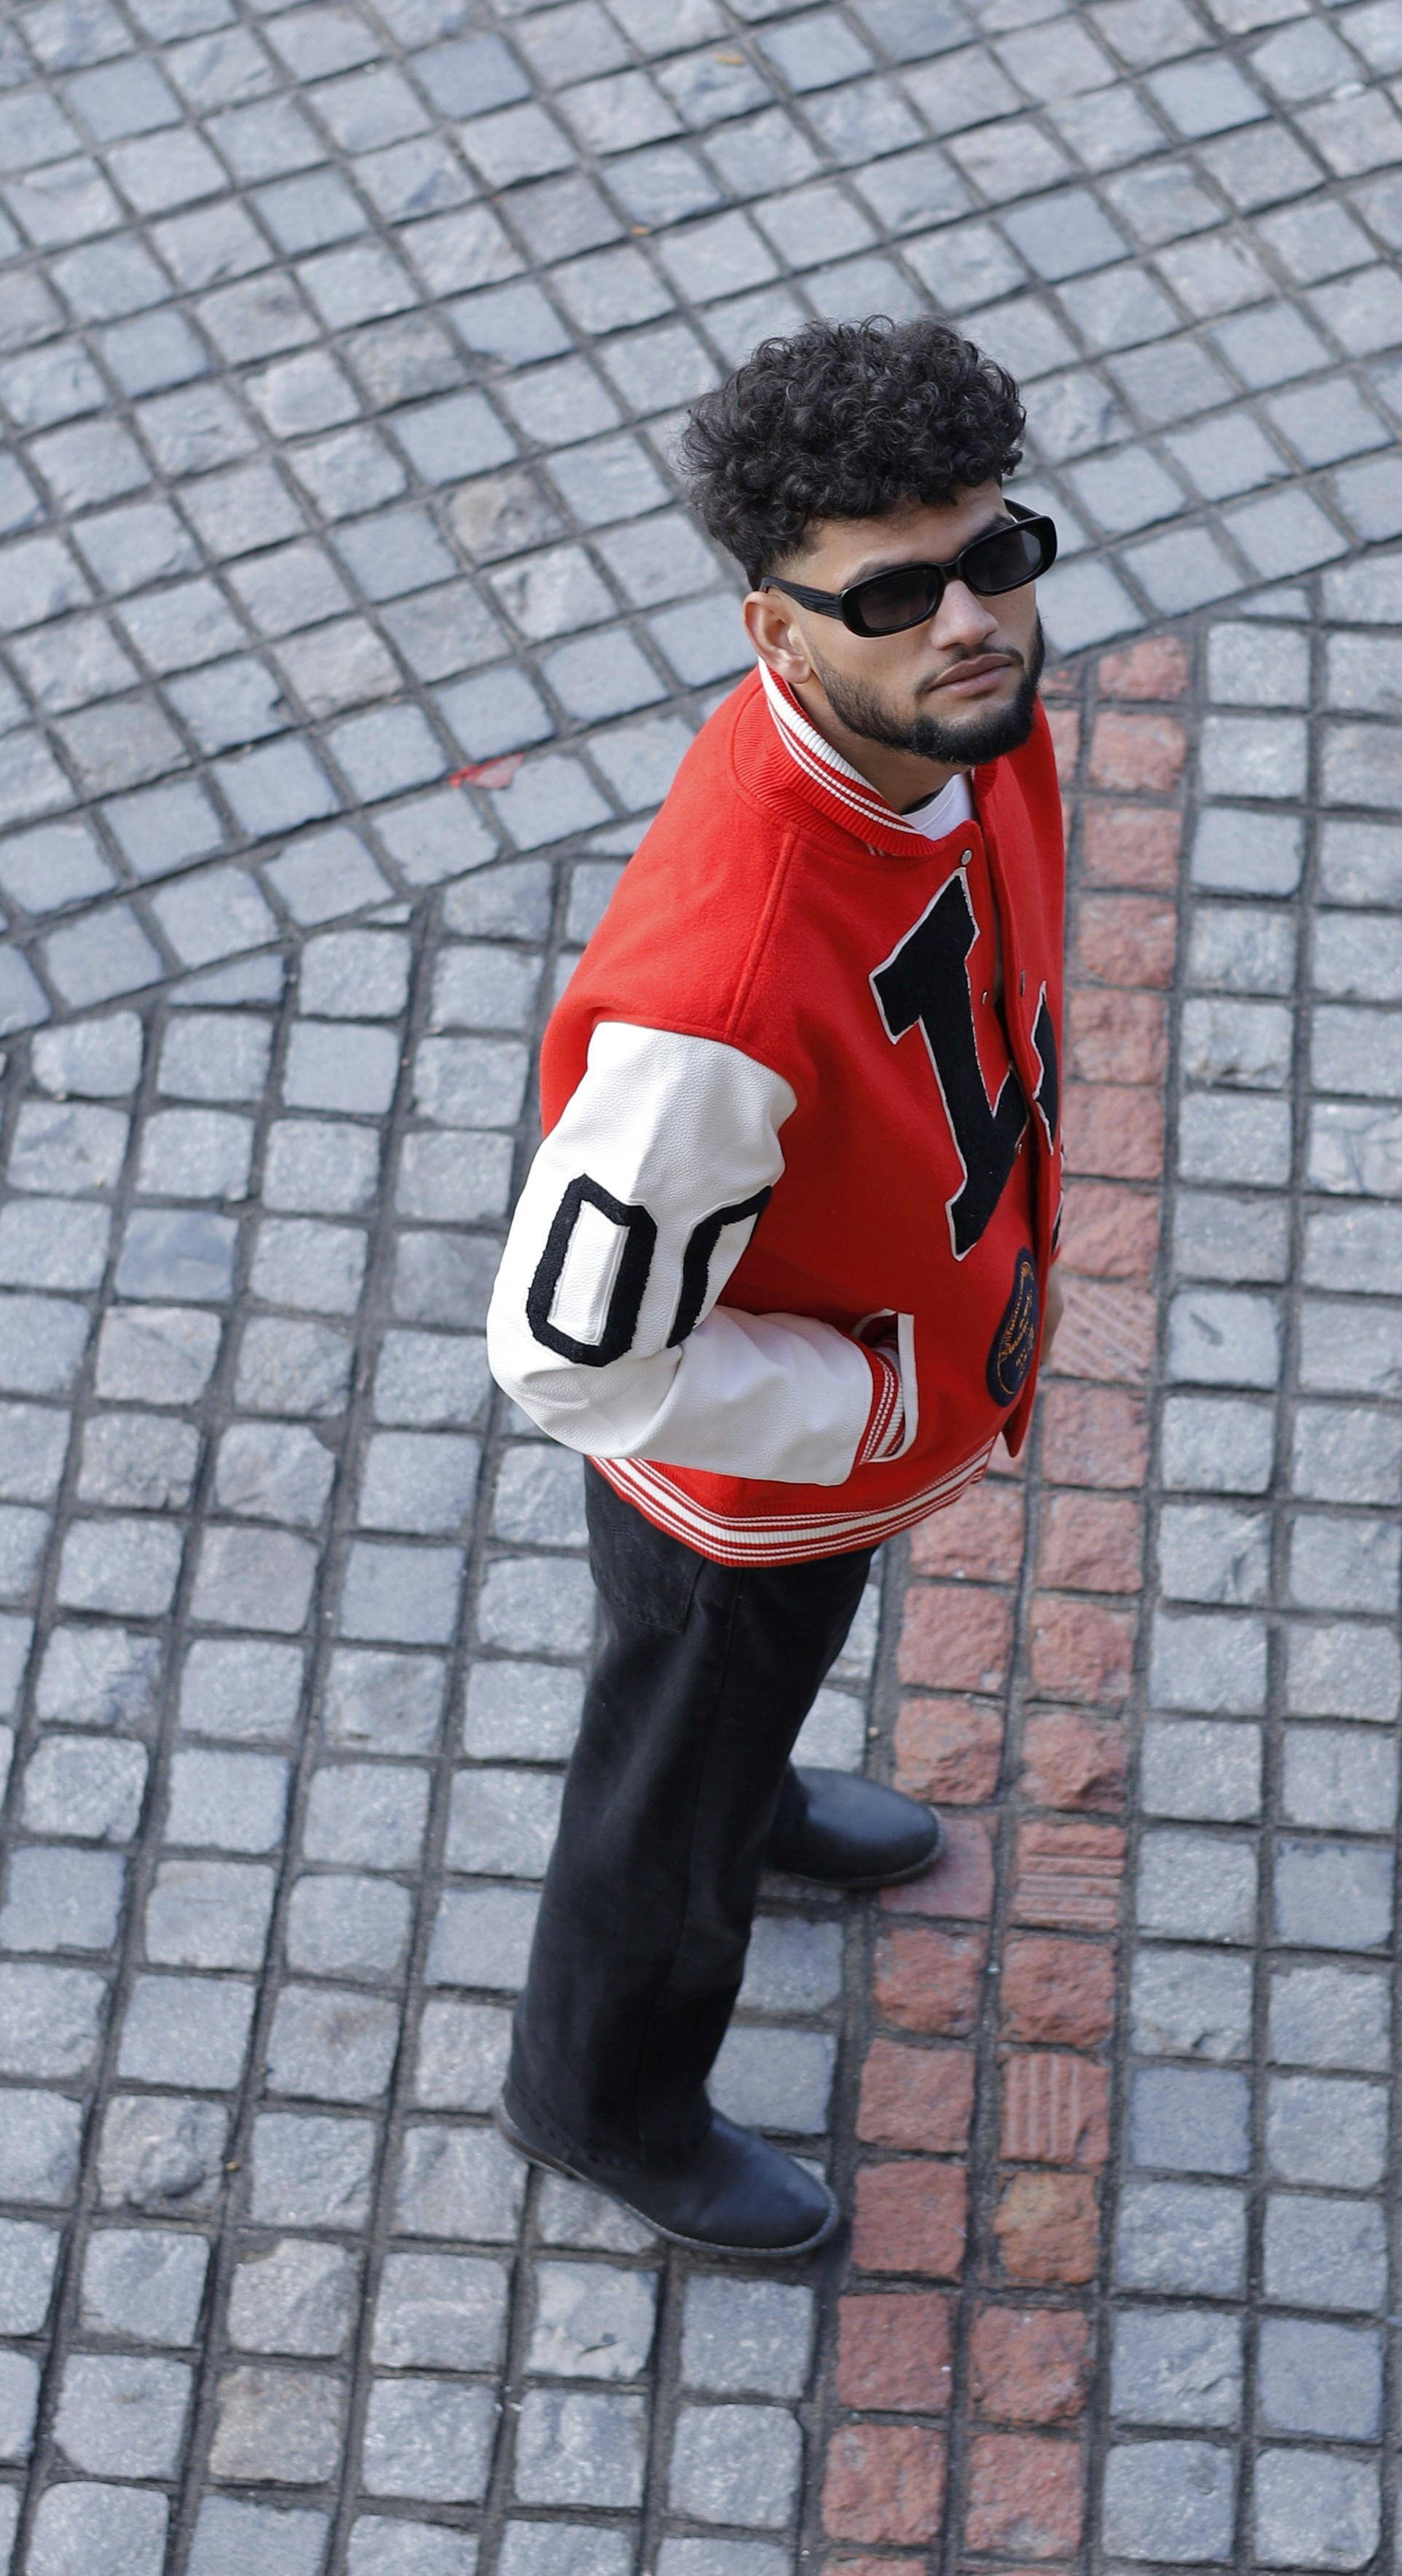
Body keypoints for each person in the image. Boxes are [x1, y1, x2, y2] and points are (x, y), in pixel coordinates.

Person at [485, 316, 1066, 2256]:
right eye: (894, 591)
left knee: (738, 1717)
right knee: (671, 1771)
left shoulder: (948, 717)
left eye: (993, 554)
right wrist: (876, 1413)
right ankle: (605, 2099)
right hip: (751, 1479)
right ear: (777, 632)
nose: (968, 617)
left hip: (847, 1413)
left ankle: (757, 1803)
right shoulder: (717, 1005)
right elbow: (573, 1353)